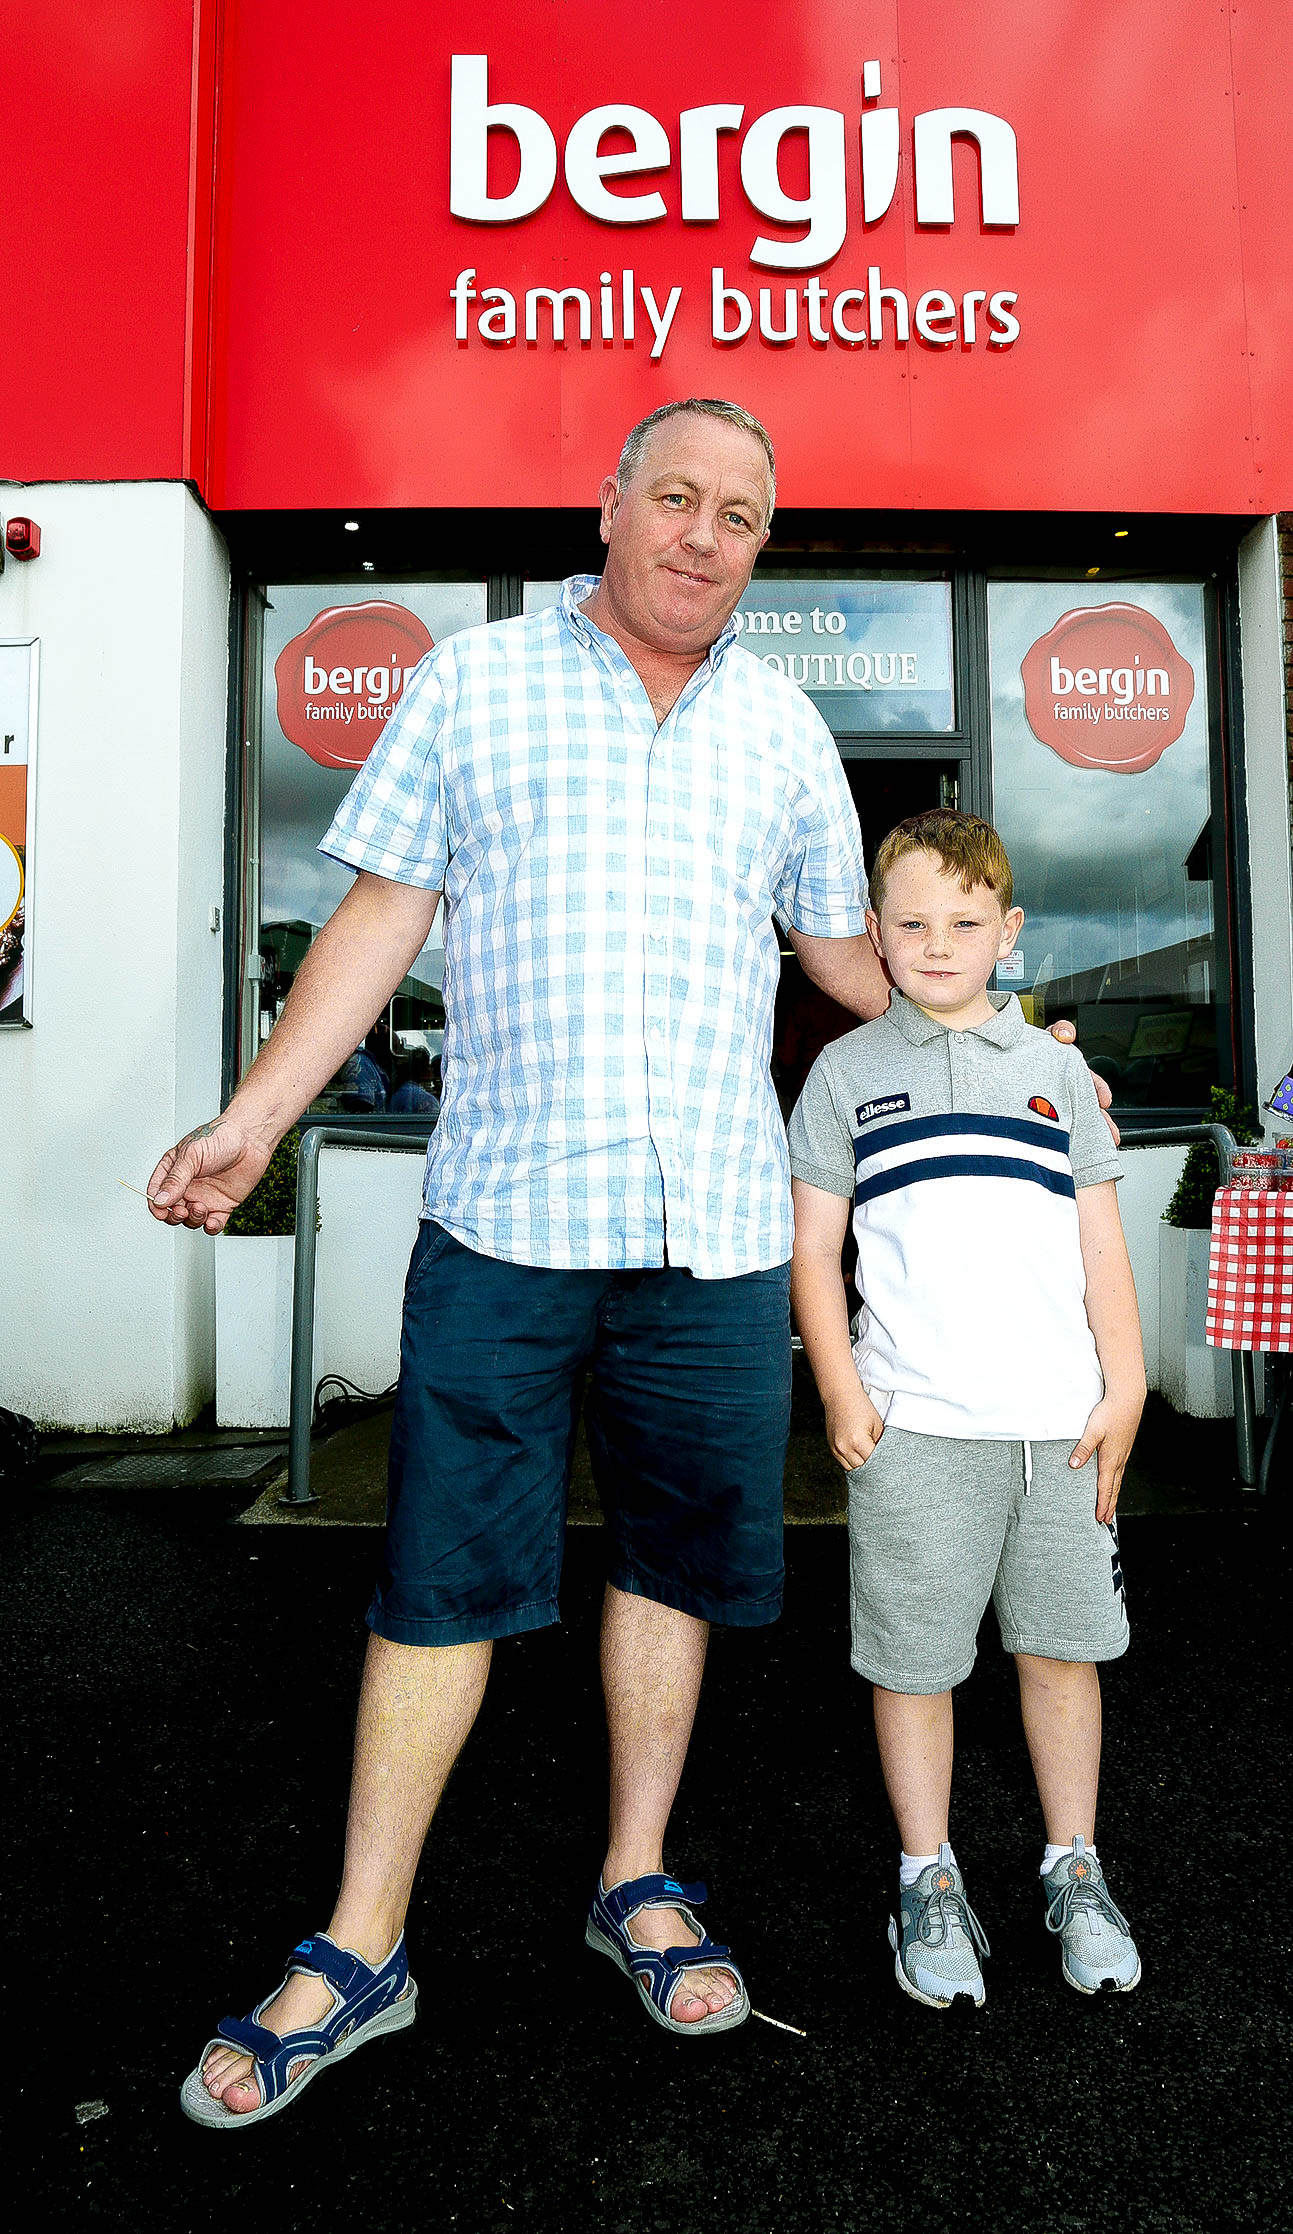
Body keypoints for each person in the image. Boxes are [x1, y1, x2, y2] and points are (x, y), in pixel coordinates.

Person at [152, 398, 896, 2127]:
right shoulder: (475, 679)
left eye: (740, 514)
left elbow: (850, 959)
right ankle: (362, 1940)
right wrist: (258, 1116)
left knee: (672, 1565)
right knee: (439, 1578)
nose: (704, 534)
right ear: (611, 502)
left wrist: (1012, 1039)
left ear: (762, 542)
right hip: (503, 1220)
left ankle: (635, 1871)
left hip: (709, 1233)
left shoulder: (785, 729)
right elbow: (379, 914)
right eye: (676, 496)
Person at [788, 809, 1144, 2010]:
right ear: (875, 936)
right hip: (917, 1433)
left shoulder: (1055, 1074)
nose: (939, 944)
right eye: (912, 922)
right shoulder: (844, 1074)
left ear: (1010, 931)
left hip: (1061, 1431)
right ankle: (927, 1870)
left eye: (966, 921)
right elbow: (815, 1246)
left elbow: (1100, 1245)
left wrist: (1129, 1381)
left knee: (1061, 1652)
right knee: (916, 1663)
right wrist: (841, 1385)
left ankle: (1072, 1862)